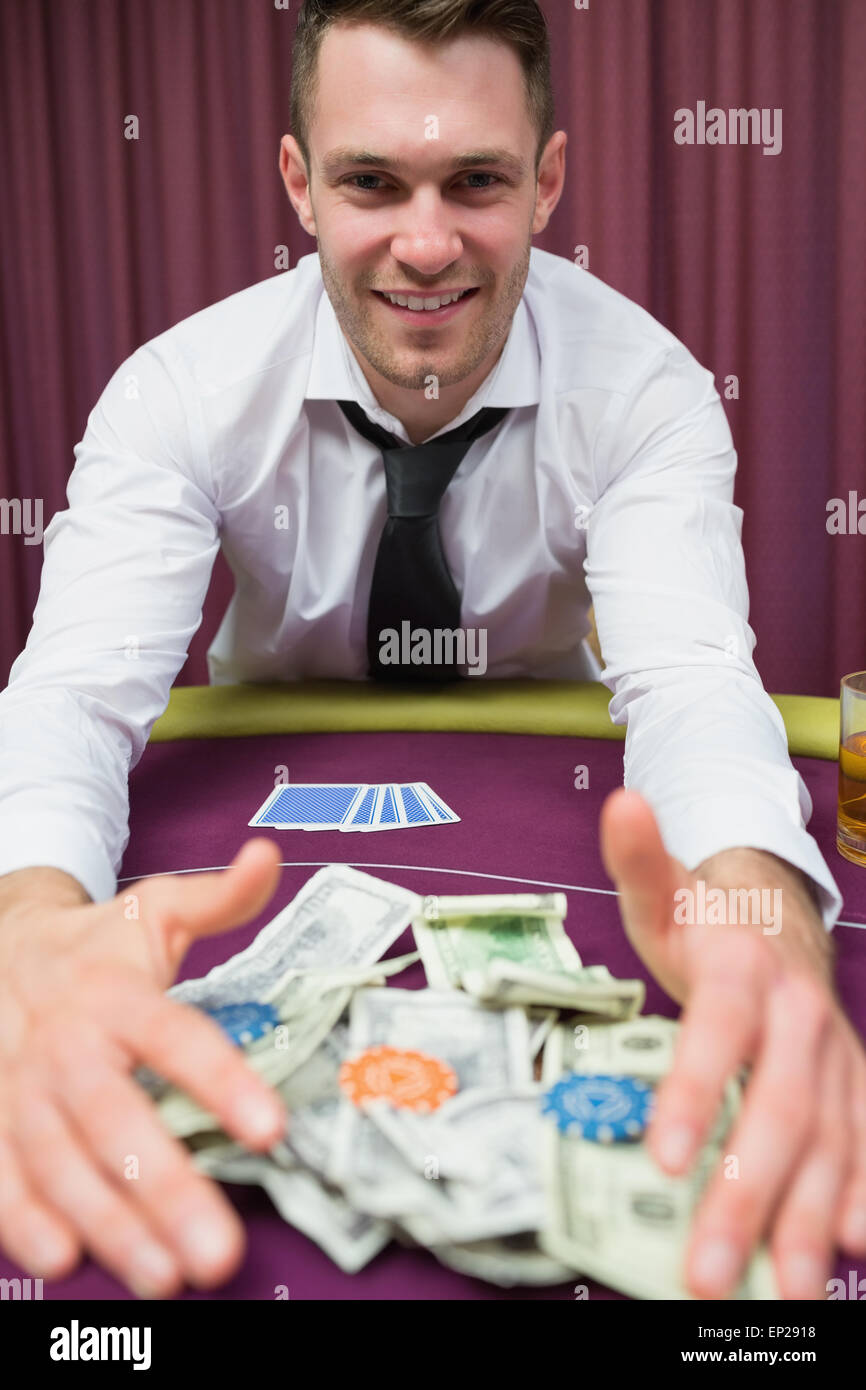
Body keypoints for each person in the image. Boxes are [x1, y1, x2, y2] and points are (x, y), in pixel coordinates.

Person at [0, 0, 862, 1303]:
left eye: (474, 181)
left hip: (570, 807)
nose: (423, 242)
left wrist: (763, 923)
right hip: (260, 823)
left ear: (547, 180)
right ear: (297, 182)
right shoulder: (178, 389)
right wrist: (25, 930)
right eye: (369, 182)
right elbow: (71, 694)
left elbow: (688, 683)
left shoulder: (645, 390)